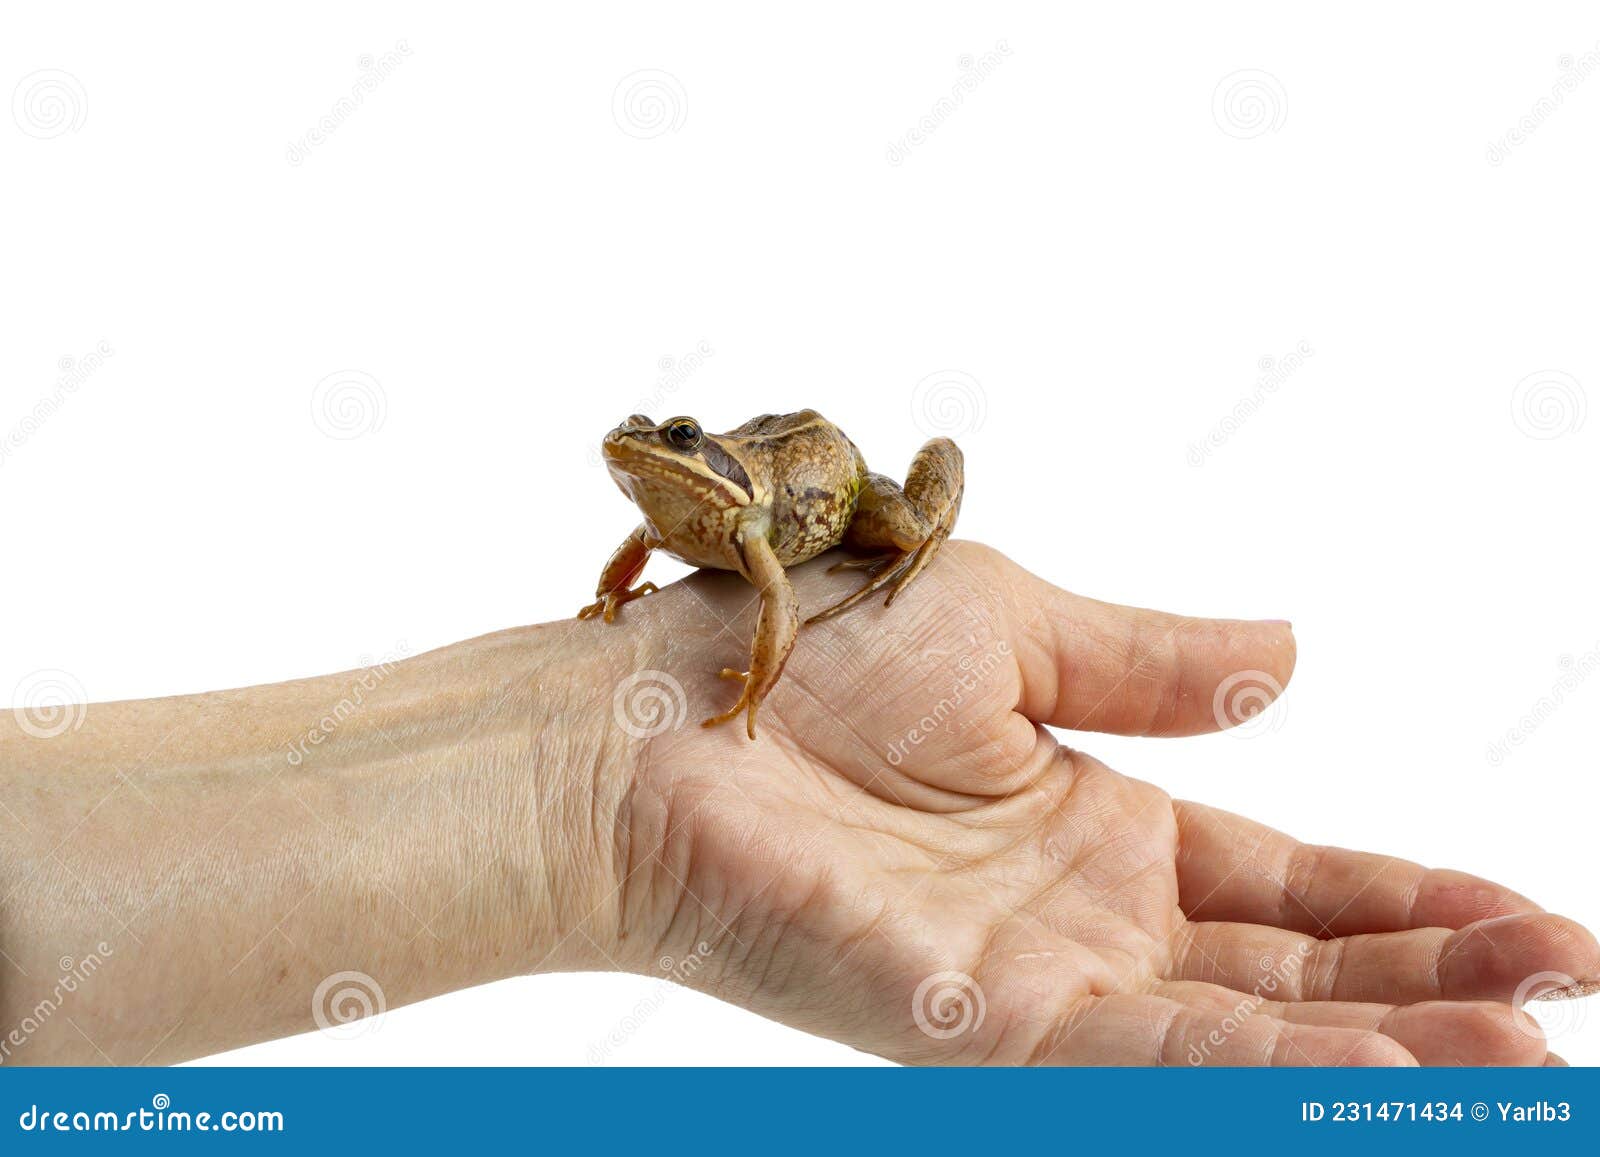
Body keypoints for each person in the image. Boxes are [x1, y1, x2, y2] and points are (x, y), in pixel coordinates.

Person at [1, 542, 1593, 1065]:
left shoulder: (761, 549)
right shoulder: (660, 531)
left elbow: (763, 588)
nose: (653, 477)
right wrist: (593, 715)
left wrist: (653, 725)